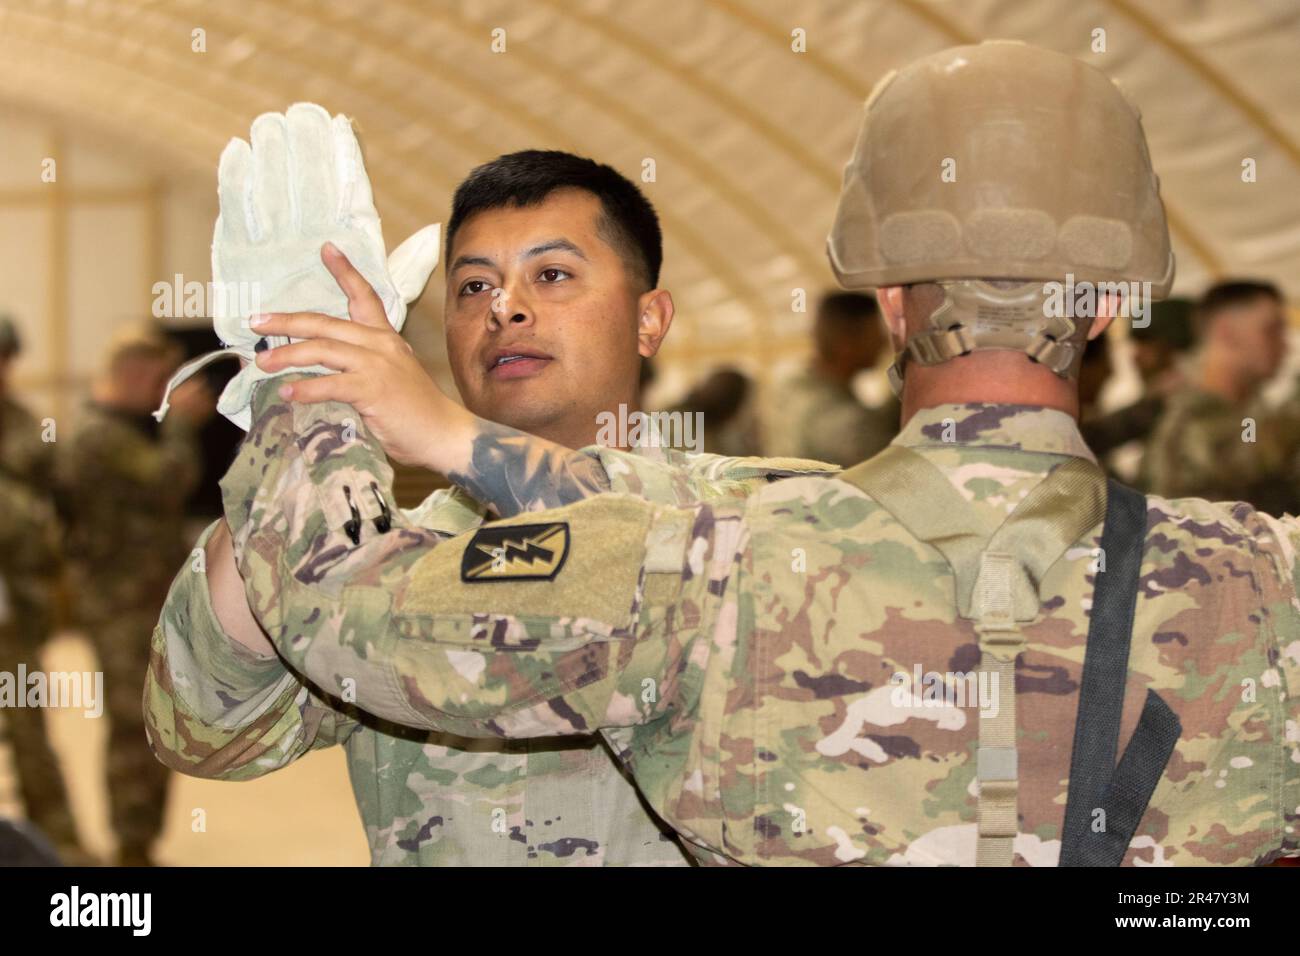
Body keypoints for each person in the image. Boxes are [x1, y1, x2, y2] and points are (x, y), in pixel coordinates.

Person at [211, 42, 1299, 867]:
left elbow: (334, 602)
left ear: (885, 301)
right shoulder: (1266, 582)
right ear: (1109, 308)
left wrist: (300, 371)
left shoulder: (705, 559)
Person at [145, 141, 833, 866]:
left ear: (648, 320)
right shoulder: (383, 555)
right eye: (474, 287)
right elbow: (207, 728)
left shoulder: (770, 508)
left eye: (554, 274)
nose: (506, 308)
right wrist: (303, 393)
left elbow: (659, 544)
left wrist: (454, 436)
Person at [57, 321, 210, 866]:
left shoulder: (118, 429)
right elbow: (169, 480)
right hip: (118, 605)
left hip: (142, 599)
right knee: (134, 724)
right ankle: (131, 848)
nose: (163, 390)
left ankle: (139, 842)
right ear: (136, 371)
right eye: (160, 378)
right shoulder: (101, 435)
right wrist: (180, 427)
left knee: (157, 722)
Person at [0, 316, 84, 861]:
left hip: (13, 612)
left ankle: (59, 850)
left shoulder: (27, 428)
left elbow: (66, 507)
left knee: (30, 735)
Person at [1144, 281, 1300, 512]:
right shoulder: (1185, 416)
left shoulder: (1247, 413)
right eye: (1271, 330)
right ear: (1226, 332)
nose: (1285, 346)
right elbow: (1248, 459)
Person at [767, 291, 898, 466]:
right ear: (847, 342)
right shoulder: (836, 419)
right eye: (875, 333)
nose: (883, 343)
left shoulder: (792, 387)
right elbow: (891, 458)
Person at [1080, 297, 1194, 480]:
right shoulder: (1137, 403)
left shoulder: (1203, 405)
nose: (1136, 356)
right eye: (1136, 345)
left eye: (1148, 345)